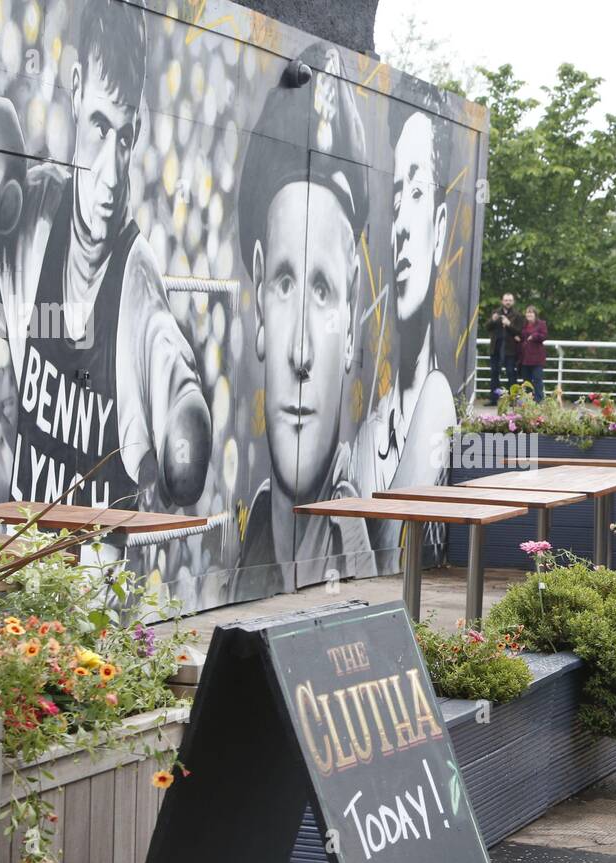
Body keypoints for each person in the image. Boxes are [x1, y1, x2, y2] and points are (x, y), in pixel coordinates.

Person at [0, 1, 211, 512]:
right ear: (75, 92)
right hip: (25, 569)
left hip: (99, 579)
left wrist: (181, 406)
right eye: (99, 125)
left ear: (137, 133)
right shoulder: (33, 218)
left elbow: (163, 349)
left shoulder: (134, 279)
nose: (112, 174)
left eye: (125, 136)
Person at [234, 43, 374, 592]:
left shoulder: (358, 552)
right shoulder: (255, 541)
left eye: (322, 290)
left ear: (354, 310)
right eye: (286, 284)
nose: (300, 352)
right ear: (260, 307)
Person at [352, 94, 456, 572]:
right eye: (395, 199)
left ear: (438, 231)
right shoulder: (367, 436)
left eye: (415, 194)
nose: (401, 227)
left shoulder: (440, 405)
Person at [486, 294, 522, 400]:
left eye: (510, 300)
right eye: (506, 300)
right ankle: (494, 399)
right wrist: (492, 320)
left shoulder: (517, 315)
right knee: (494, 373)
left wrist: (509, 324)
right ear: (502, 301)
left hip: (510, 349)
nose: (508, 302)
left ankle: (513, 399)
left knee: (511, 374)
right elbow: (487, 327)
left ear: (513, 302)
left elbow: (519, 332)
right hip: (496, 348)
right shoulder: (496, 312)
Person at [518, 306, 548, 401]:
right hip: (525, 357)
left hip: (537, 358)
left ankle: (539, 400)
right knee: (526, 381)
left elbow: (544, 336)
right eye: (527, 312)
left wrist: (534, 336)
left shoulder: (541, 324)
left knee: (537, 380)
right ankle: (528, 401)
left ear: (535, 314)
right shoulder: (524, 324)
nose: (529, 314)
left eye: (531, 312)